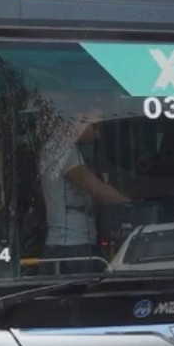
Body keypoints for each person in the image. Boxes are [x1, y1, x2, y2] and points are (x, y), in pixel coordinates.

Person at [39, 110, 130, 273]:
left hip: (70, 242)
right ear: (80, 119)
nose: (98, 136)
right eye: (95, 127)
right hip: (69, 245)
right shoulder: (62, 149)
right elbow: (96, 189)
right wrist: (134, 205)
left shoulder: (59, 147)